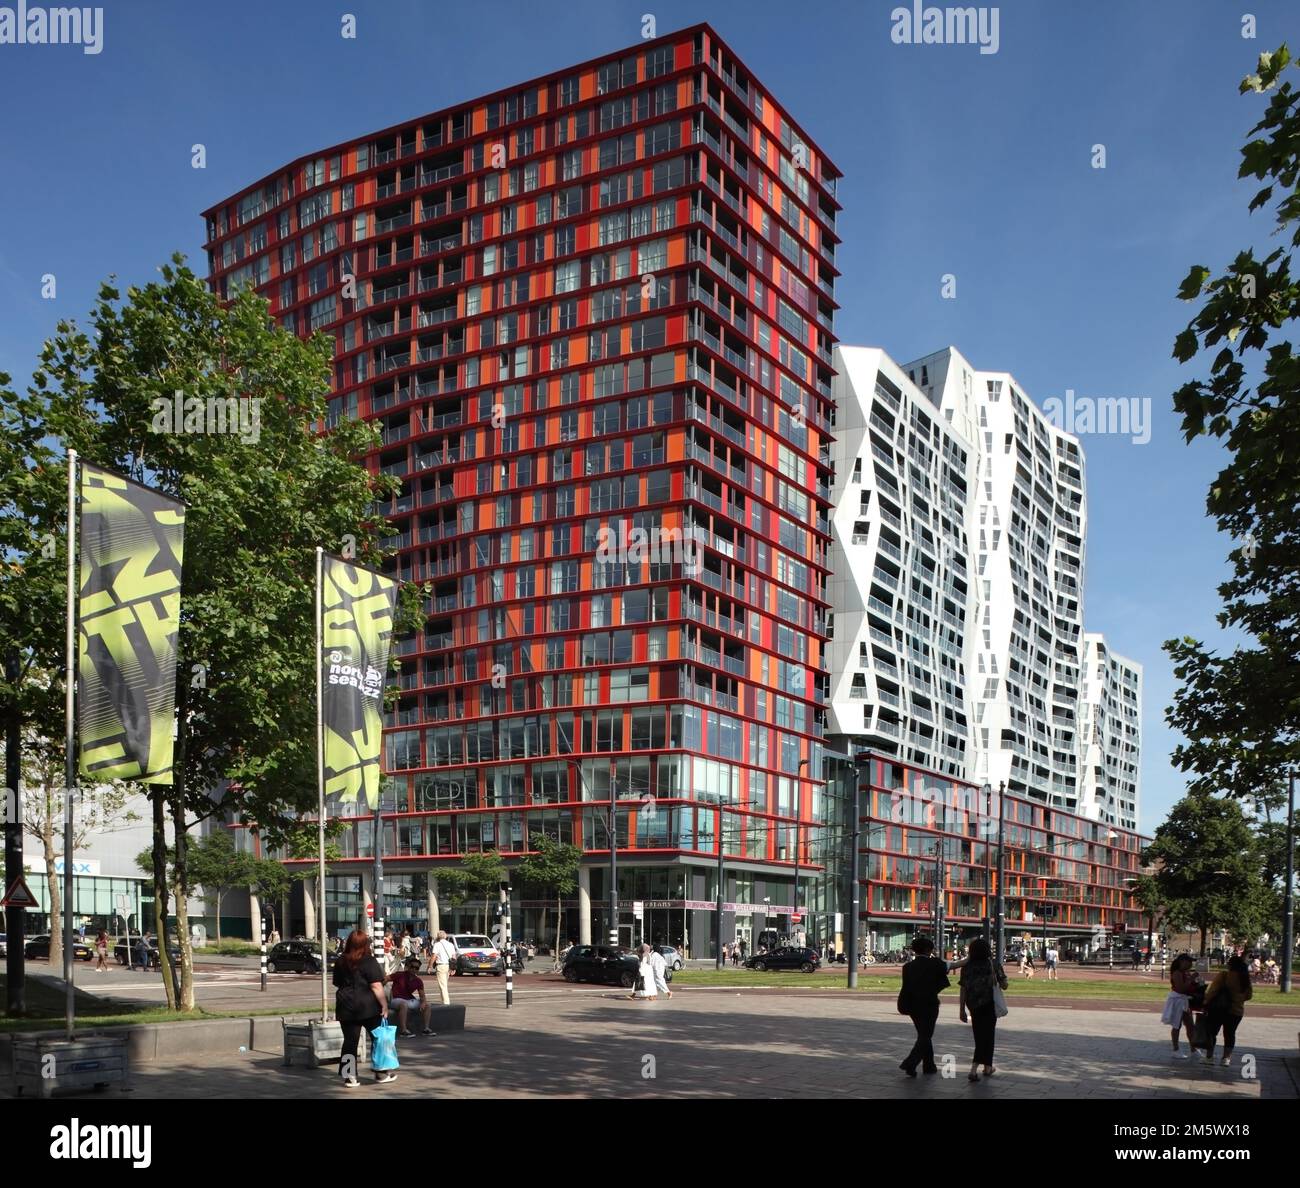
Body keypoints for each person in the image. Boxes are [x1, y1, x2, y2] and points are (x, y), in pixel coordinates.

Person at [333, 929, 393, 1086]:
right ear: (365, 944)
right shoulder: (369, 961)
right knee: (378, 1038)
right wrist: (384, 1005)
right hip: (368, 1006)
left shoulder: (341, 961)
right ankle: (380, 1073)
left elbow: (337, 983)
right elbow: (376, 986)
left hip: (345, 1005)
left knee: (350, 1041)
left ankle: (349, 1076)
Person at [896, 935, 950, 1077]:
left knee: (923, 1034)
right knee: (926, 1035)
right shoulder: (935, 963)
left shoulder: (907, 967)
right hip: (929, 1004)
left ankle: (929, 1065)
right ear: (928, 950)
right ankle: (910, 1063)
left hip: (911, 1004)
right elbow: (952, 966)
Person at [958, 937, 1008, 1082]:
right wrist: (1002, 981)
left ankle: (987, 1066)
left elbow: (963, 989)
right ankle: (975, 1069)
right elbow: (1004, 985)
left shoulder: (967, 967)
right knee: (988, 1036)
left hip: (973, 1004)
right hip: (989, 1004)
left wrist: (962, 1009)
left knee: (979, 1036)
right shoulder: (993, 964)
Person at [1202, 954, 1252, 1066]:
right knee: (1230, 1034)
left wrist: (1205, 1002)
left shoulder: (1224, 975)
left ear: (1231, 965)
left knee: (1212, 1032)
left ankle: (1209, 1057)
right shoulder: (1245, 978)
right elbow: (1249, 996)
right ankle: (1226, 1058)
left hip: (1218, 1009)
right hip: (1236, 1010)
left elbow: (1213, 991)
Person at [1161, 954, 1201, 1058]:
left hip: (1184, 1000)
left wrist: (1197, 984)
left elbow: (1188, 987)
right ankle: (1176, 1049)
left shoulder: (1186, 973)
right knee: (1176, 1025)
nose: (1190, 965)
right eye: (1189, 962)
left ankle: (1193, 1048)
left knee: (1190, 1026)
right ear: (1182, 962)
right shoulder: (1177, 973)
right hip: (1177, 1001)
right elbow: (1180, 988)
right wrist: (1191, 979)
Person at [389, 957, 436, 1037]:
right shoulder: (399, 975)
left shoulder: (418, 981)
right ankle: (404, 1031)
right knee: (403, 1004)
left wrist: (423, 1003)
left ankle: (426, 1029)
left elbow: (422, 995)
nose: (414, 969)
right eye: (412, 967)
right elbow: (386, 979)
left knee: (427, 1005)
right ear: (408, 967)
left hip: (409, 1000)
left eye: (416, 968)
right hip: (395, 999)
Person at [430, 930, 457, 1004]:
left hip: (441, 966)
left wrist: (429, 966)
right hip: (448, 966)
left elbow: (434, 956)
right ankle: (443, 1001)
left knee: (443, 986)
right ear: (445, 936)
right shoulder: (450, 944)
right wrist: (453, 968)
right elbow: (454, 957)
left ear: (438, 937)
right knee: (444, 984)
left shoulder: (437, 944)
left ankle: (446, 1003)